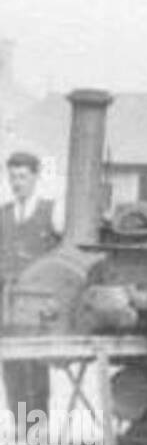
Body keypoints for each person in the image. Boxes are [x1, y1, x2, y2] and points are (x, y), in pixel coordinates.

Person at [1, 152, 63, 414]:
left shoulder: (52, 212)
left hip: (38, 310)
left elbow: (64, 258)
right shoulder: (3, 214)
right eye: (13, 177)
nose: (17, 183)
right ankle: (23, 436)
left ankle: (37, 437)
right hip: (7, 308)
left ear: (36, 177)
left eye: (23, 177)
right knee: (12, 372)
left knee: (35, 373)